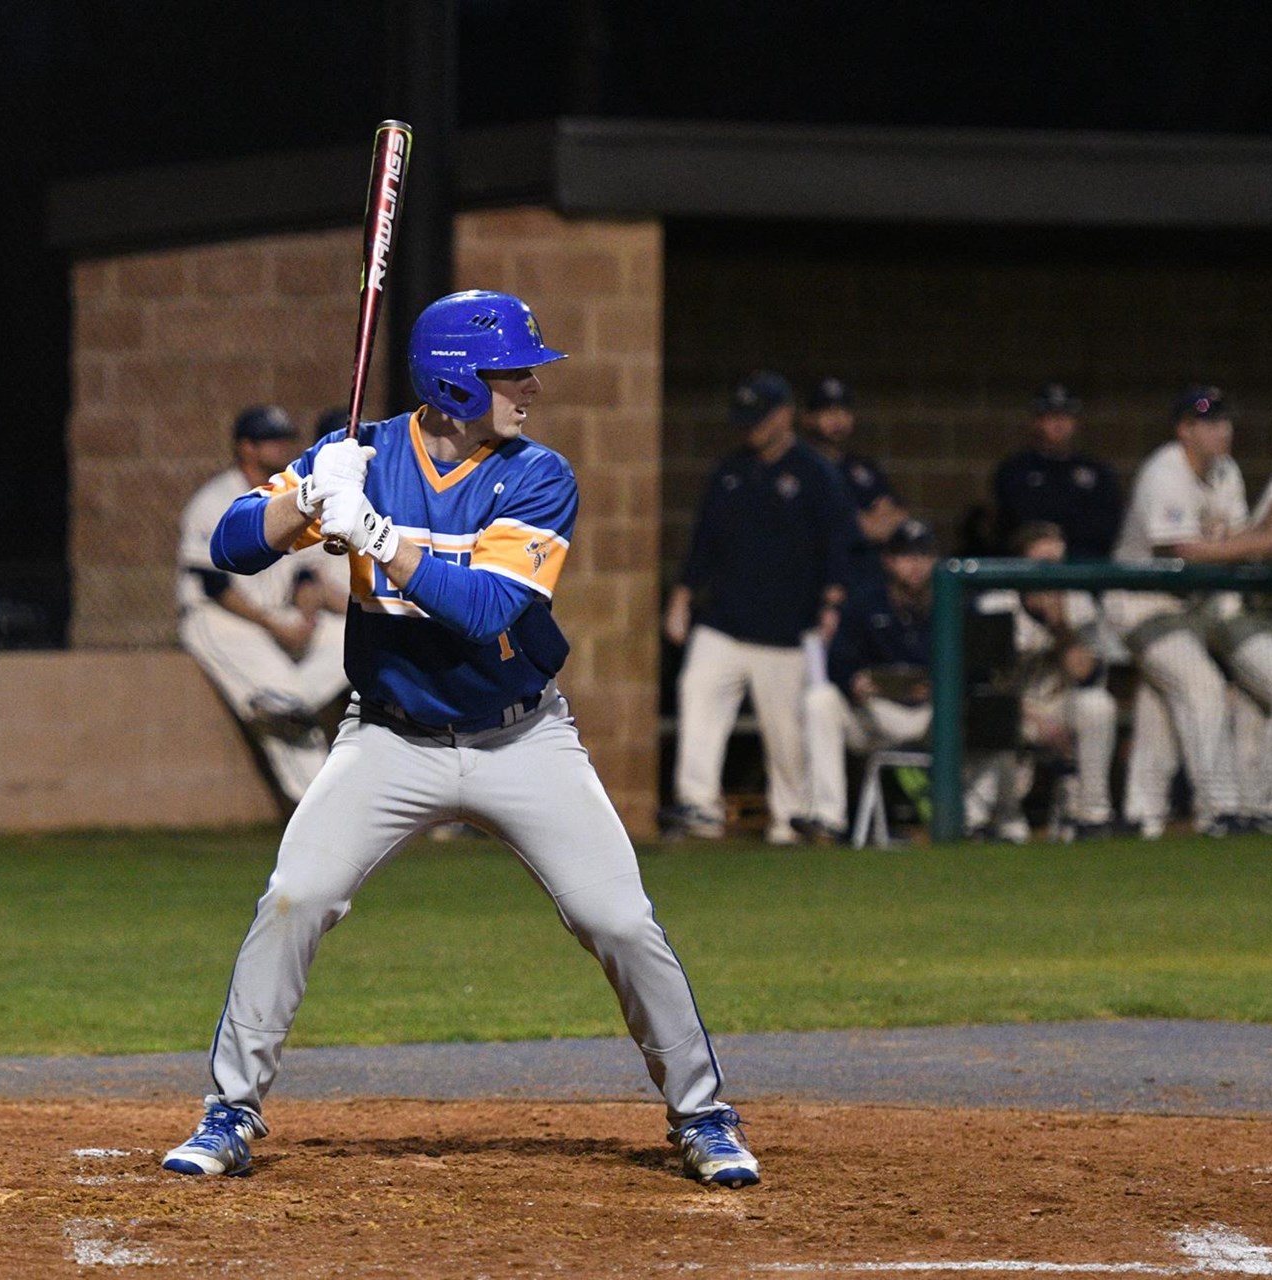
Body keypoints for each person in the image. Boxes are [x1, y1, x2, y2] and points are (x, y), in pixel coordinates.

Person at [159, 289, 760, 1189]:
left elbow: (487, 611)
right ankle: (230, 1111)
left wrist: (379, 536)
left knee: (619, 921)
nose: (531, 387)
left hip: (520, 739)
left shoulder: (540, 475)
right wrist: (307, 505)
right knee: (295, 896)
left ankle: (703, 1114)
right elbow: (231, 545)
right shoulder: (357, 455)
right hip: (388, 739)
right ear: (456, 380)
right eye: (513, 372)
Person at [663, 371, 858, 844]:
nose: (750, 428)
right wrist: (682, 596)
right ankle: (699, 808)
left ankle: (788, 820)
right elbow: (703, 541)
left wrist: (832, 602)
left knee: (787, 737)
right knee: (697, 691)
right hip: (724, 624)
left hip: (787, 632)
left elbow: (839, 542)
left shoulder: (815, 474)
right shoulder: (731, 471)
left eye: (760, 418)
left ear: (784, 415)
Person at [800, 520, 1027, 841]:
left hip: (935, 718)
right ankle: (828, 817)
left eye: (924, 555)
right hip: (877, 712)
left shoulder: (957, 602)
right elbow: (838, 660)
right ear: (888, 561)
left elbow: (980, 667)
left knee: (990, 708)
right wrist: (853, 681)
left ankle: (979, 819)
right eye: (906, 556)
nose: (916, 564)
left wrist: (946, 686)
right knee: (819, 700)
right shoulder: (867, 602)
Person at [178, 405, 351, 807]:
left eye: (285, 438)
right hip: (223, 619)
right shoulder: (216, 497)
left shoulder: (288, 494)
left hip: (278, 616)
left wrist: (305, 613)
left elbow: (306, 573)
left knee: (355, 637)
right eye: (272, 439)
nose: (283, 446)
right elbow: (213, 583)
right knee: (293, 717)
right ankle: (321, 807)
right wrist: (274, 625)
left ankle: (279, 704)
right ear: (246, 448)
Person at [1106, 384, 1253, 837]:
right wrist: (1257, 542)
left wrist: (1250, 541)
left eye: (1223, 420)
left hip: (1190, 607)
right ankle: (1220, 809)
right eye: (1207, 422)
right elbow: (1182, 550)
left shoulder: (1227, 472)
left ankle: (1141, 814)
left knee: (1160, 704)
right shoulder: (1163, 470)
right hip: (1140, 604)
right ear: (1184, 430)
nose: (1220, 429)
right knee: (1202, 685)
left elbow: (1237, 542)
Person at [970, 521, 1119, 838]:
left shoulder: (1079, 603)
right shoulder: (995, 604)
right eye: (1043, 564)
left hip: (1059, 707)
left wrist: (1060, 625)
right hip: (1014, 710)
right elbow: (981, 686)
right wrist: (1034, 719)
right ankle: (989, 818)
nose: (1052, 572)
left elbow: (1086, 675)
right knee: (996, 716)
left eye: (1058, 563)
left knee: (1097, 705)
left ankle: (1093, 814)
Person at [802, 376, 909, 601]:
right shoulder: (800, 469)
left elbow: (896, 519)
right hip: (814, 591)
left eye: (843, 412)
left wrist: (851, 523)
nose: (838, 421)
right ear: (809, 418)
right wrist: (860, 522)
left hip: (864, 589)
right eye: (829, 412)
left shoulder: (863, 469)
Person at [991, 383, 1125, 558]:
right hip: (1025, 568)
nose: (1059, 423)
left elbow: (1105, 529)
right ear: (1036, 422)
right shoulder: (1014, 470)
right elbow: (1012, 525)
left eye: (1065, 415)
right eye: (1051, 416)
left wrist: (1064, 548)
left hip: (1083, 569)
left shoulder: (1098, 473)